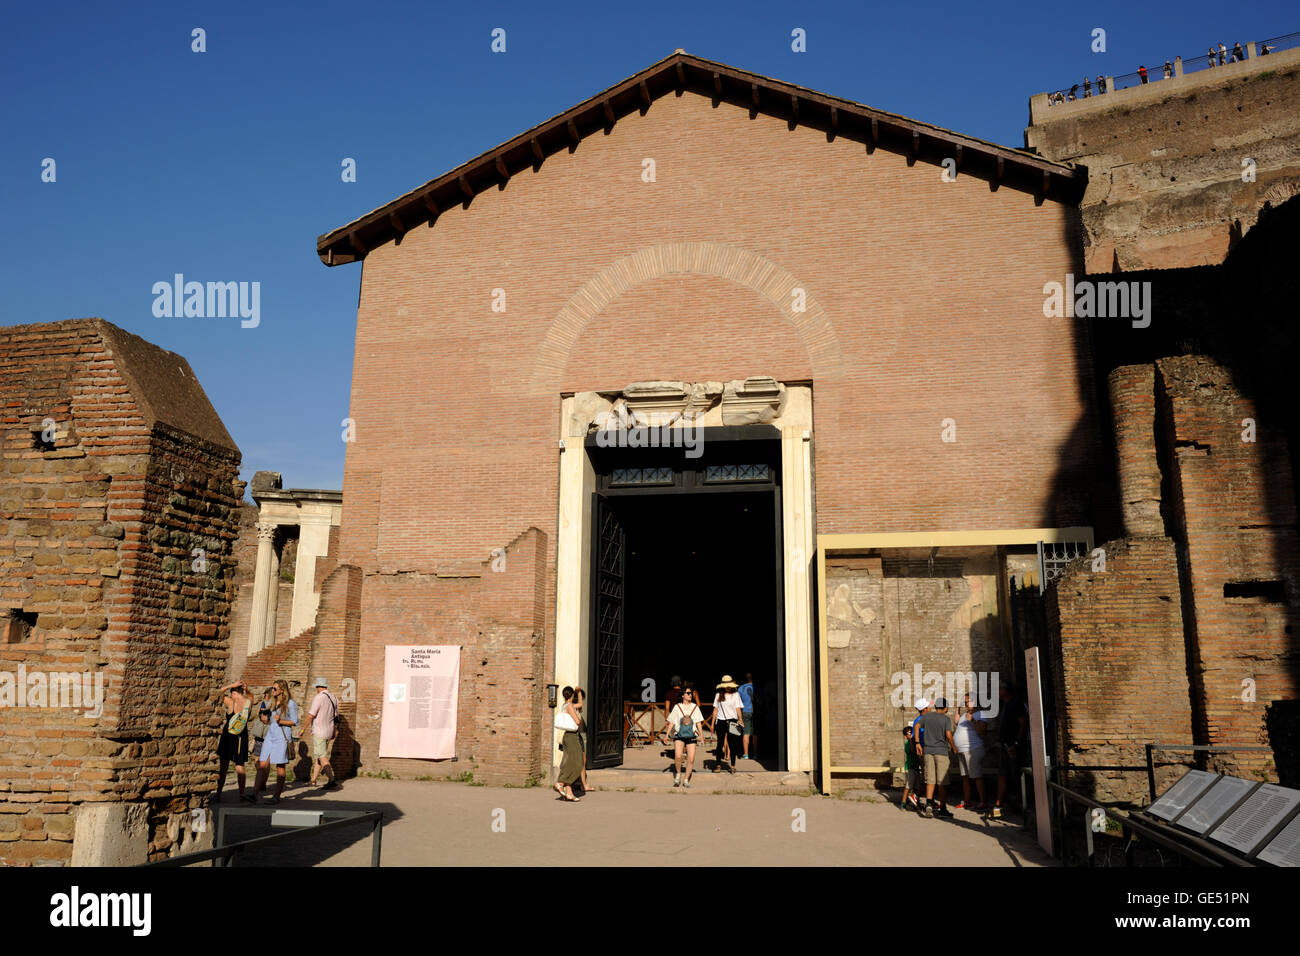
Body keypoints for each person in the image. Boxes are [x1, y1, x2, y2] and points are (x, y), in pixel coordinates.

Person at [251, 679, 298, 805]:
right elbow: (272, 721)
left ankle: (276, 796)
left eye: (275, 689)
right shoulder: (272, 703)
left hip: (282, 738)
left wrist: (280, 721)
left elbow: (294, 721)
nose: (272, 691)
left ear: (282, 690)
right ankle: (254, 794)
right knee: (262, 765)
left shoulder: (290, 704)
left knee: (280, 766)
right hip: (270, 736)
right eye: (272, 688)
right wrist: (266, 719)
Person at [993, 681, 1029, 818]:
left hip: (1013, 747)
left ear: (1005, 690)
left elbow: (1023, 724)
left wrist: (1016, 743)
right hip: (1005, 746)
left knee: (1016, 775)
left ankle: (1019, 804)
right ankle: (999, 803)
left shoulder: (1016, 704)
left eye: (999, 689)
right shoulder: (1006, 705)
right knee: (1003, 773)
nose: (997, 692)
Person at [915, 697, 956, 818]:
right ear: (945, 708)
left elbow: (916, 726)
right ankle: (943, 809)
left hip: (928, 751)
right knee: (942, 781)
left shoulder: (927, 717)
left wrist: (917, 743)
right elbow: (948, 735)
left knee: (930, 780)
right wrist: (953, 747)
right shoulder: (946, 719)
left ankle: (928, 805)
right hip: (941, 752)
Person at [215, 679, 251, 802]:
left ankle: (218, 793)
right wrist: (247, 689)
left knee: (223, 766)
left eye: (232, 692)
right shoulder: (248, 702)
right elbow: (252, 696)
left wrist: (231, 685)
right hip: (242, 736)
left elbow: (217, 693)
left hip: (228, 735)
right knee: (240, 765)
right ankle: (242, 794)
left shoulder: (231, 702)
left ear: (234, 692)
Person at [952, 694, 987, 811]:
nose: (966, 704)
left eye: (968, 701)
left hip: (973, 749)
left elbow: (983, 731)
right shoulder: (964, 714)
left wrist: (972, 720)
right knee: (965, 777)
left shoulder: (980, 714)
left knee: (976, 776)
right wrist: (957, 708)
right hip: (962, 750)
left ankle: (983, 802)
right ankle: (967, 801)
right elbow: (956, 721)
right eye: (965, 702)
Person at [305, 677, 341, 790]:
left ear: (318, 687)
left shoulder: (319, 698)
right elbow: (336, 717)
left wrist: (302, 729)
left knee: (322, 756)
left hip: (320, 731)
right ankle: (313, 780)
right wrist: (335, 730)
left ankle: (332, 780)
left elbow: (311, 715)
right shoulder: (333, 697)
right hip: (329, 731)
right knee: (319, 756)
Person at [666, 686, 705, 787]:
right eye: (688, 693)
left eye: (691, 693)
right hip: (679, 734)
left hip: (691, 735)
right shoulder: (677, 707)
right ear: (683, 695)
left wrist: (701, 735)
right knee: (678, 756)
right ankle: (678, 774)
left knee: (691, 758)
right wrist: (667, 734)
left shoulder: (695, 707)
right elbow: (671, 721)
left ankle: (686, 779)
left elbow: (699, 722)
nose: (690, 695)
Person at [553, 686, 584, 802]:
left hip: (568, 736)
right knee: (578, 762)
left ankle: (569, 793)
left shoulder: (564, 706)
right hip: (572, 736)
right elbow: (577, 721)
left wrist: (579, 692)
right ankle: (560, 783)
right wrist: (578, 720)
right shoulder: (570, 706)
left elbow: (580, 704)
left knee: (569, 762)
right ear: (572, 695)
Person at [709, 675, 744, 774]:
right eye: (726, 685)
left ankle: (732, 766)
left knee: (733, 744)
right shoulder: (718, 695)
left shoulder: (736, 694)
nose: (728, 687)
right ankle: (718, 765)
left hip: (733, 721)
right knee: (720, 744)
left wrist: (740, 719)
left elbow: (738, 708)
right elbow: (715, 710)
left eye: (729, 685)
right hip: (720, 721)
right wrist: (712, 724)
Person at [899, 725, 921, 811]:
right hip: (910, 768)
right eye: (908, 733)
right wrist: (910, 739)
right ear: (905, 736)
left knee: (917, 787)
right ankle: (903, 803)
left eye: (911, 733)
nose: (910, 734)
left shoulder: (915, 742)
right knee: (908, 786)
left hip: (916, 767)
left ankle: (915, 801)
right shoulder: (908, 744)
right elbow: (911, 750)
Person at [737, 673, 756, 760]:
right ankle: (755, 754)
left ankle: (746, 754)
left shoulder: (741, 688)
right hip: (755, 711)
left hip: (745, 711)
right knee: (755, 734)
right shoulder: (756, 687)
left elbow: (738, 702)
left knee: (746, 733)